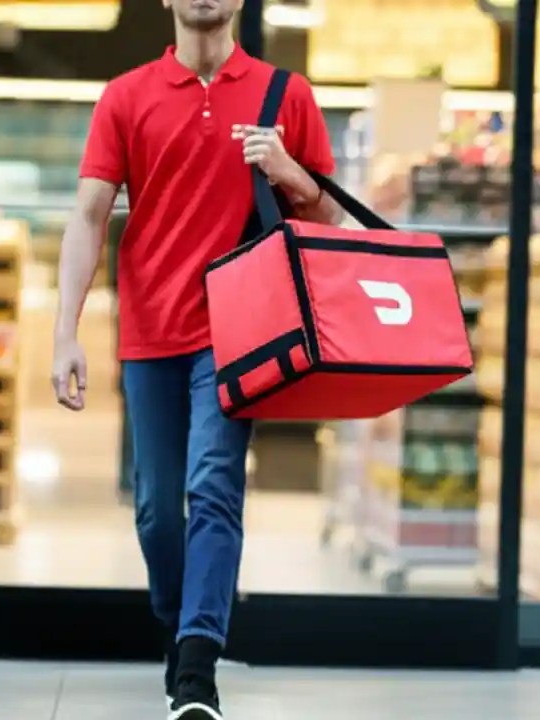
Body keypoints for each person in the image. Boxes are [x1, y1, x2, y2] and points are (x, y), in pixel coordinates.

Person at [51, 1, 341, 718]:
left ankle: (195, 673)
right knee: (156, 512)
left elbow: (329, 217)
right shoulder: (127, 96)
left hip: (239, 330)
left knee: (214, 487)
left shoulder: (287, 95)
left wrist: (288, 171)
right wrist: (65, 331)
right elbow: (88, 217)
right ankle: (182, 628)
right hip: (150, 331)